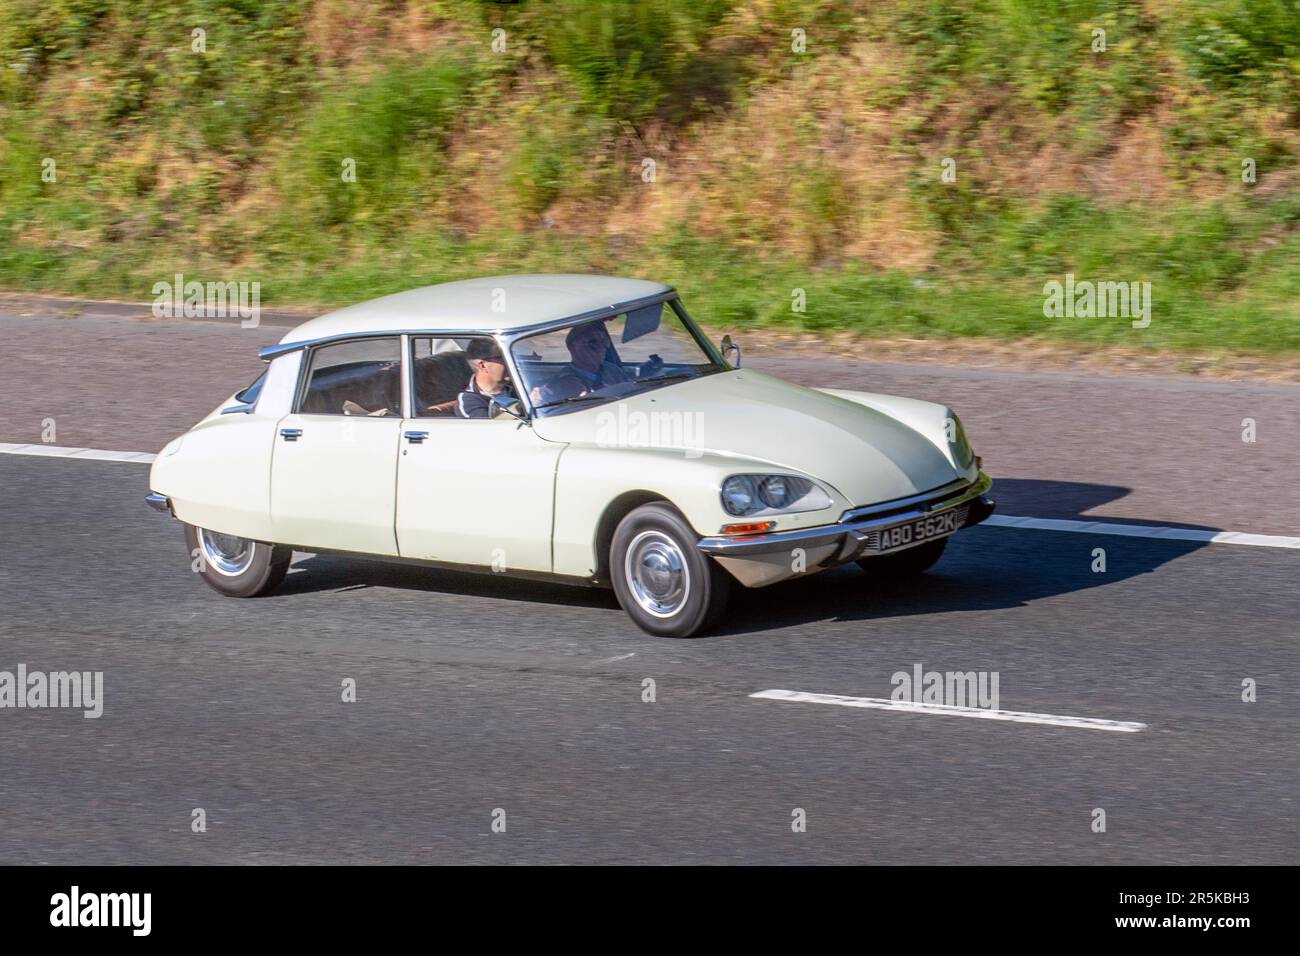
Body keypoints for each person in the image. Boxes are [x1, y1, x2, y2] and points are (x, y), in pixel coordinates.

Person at [537, 321, 631, 405]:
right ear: (573, 348)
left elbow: (631, 390)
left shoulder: (613, 370)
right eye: (592, 344)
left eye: (604, 342)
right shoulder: (563, 383)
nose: (601, 348)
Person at [456, 339, 516, 419]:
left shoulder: (516, 388)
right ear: (483, 366)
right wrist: (519, 407)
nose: (510, 362)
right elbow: (492, 429)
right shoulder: (469, 401)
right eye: (502, 357)